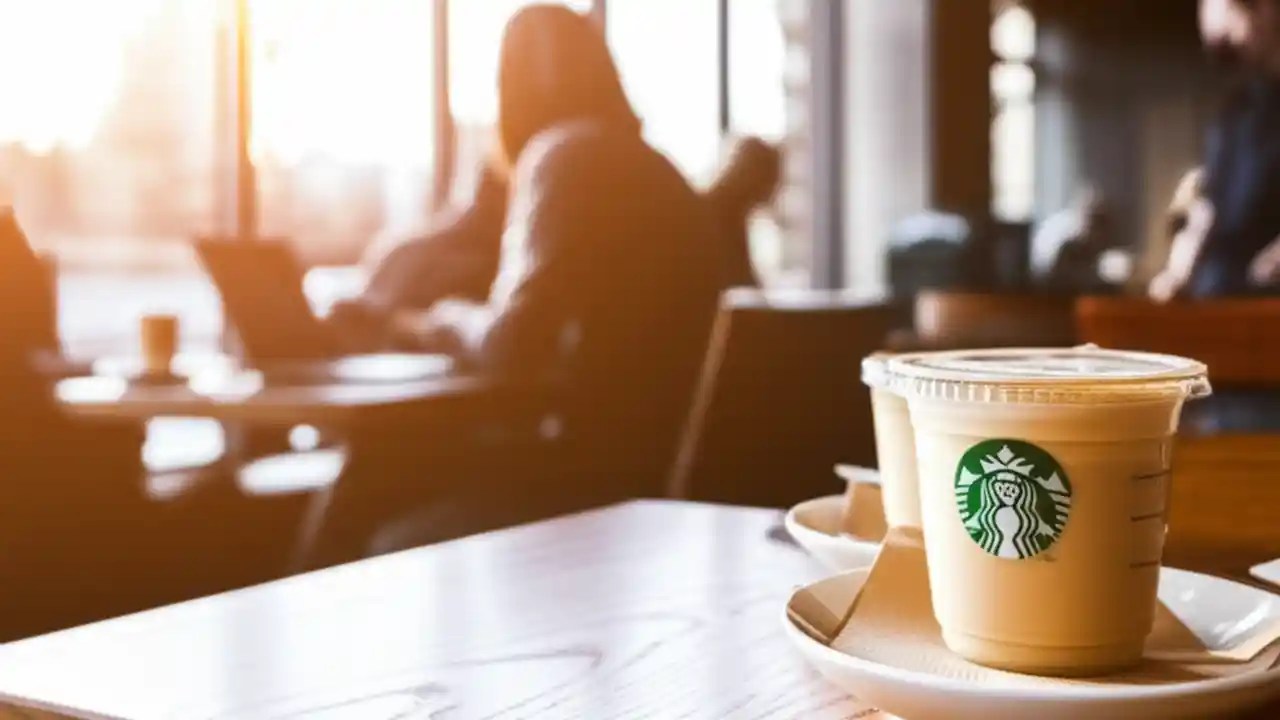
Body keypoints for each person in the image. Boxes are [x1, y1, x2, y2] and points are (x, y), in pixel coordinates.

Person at [305, 5, 725, 565]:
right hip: (659, 465)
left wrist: (430, 320)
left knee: (377, 459)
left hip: (588, 476)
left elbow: (510, 346)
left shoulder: (560, 156)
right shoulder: (655, 169)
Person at [1151, 0, 1280, 298]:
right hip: (1218, 299)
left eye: (1233, 15)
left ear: (1267, 10)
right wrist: (1177, 272)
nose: (1228, 35)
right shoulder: (1235, 113)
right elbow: (1209, 207)